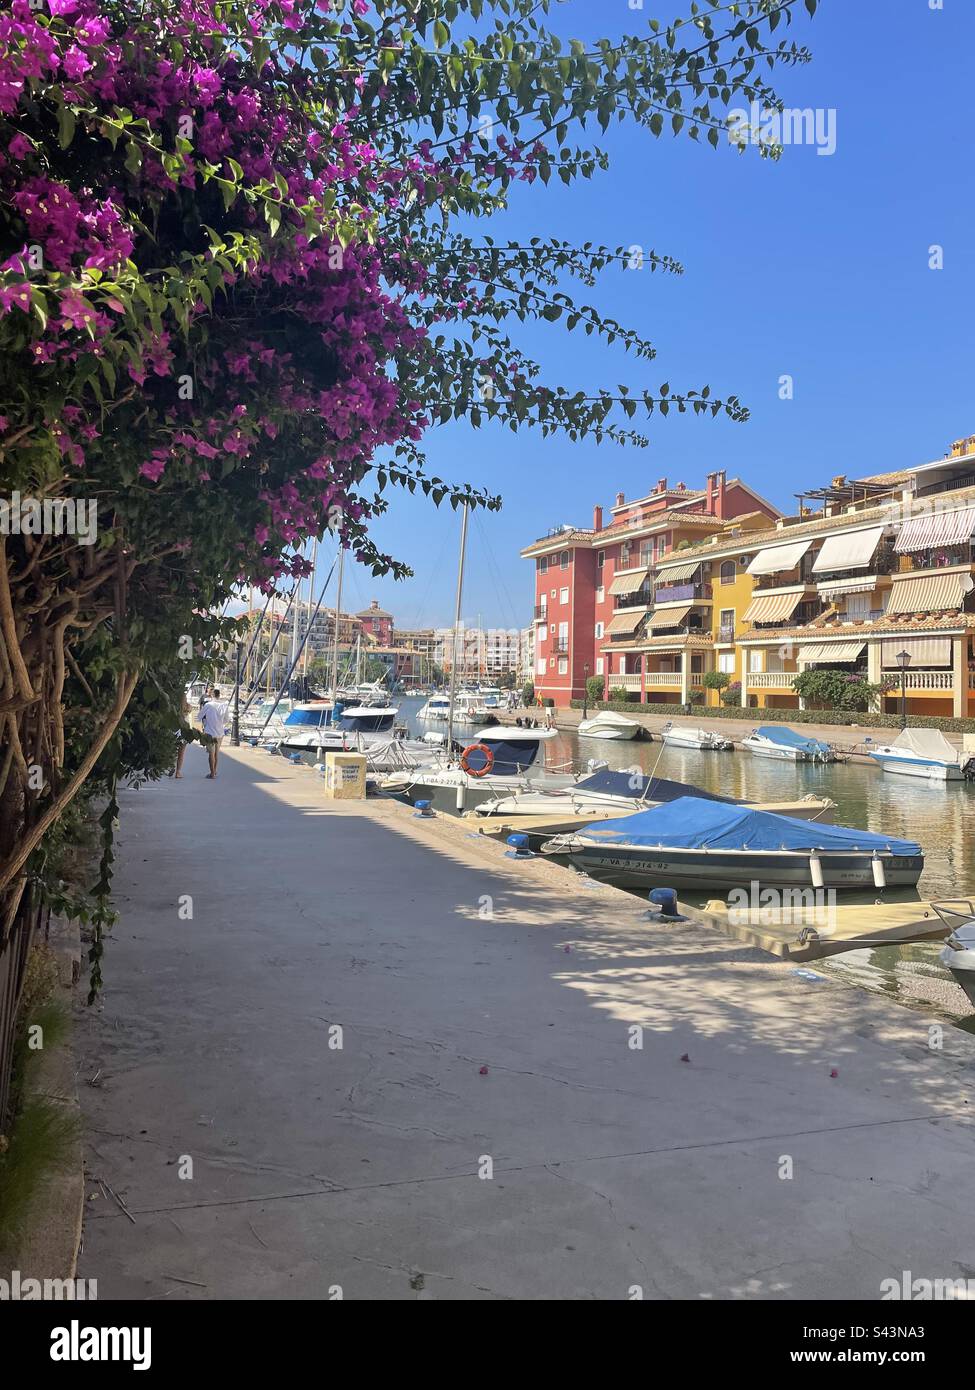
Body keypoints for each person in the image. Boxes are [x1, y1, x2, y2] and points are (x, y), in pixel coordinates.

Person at [199, 687, 229, 779]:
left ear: (212, 695)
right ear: (219, 696)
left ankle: (212, 773)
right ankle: (215, 771)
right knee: (216, 753)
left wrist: (205, 722)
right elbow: (226, 720)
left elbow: (199, 716)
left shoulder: (208, 705)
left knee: (211, 754)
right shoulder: (224, 706)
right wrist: (220, 723)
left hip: (209, 732)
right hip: (220, 732)